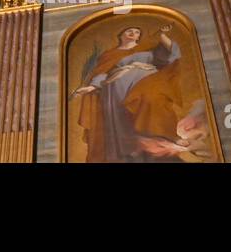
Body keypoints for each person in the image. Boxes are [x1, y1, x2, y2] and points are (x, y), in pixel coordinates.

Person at [72, 24, 200, 162]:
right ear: (121, 35)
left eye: (137, 32)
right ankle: (133, 155)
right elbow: (103, 73)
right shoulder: (109, 55)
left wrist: (162, 36)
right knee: (124, 123)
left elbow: (171, 55)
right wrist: (92, 87)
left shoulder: (147, 49)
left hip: (147, 81)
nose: (134, 33)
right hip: (117, 91)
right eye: (129, 31)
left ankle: (160, 147)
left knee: (154, 101)